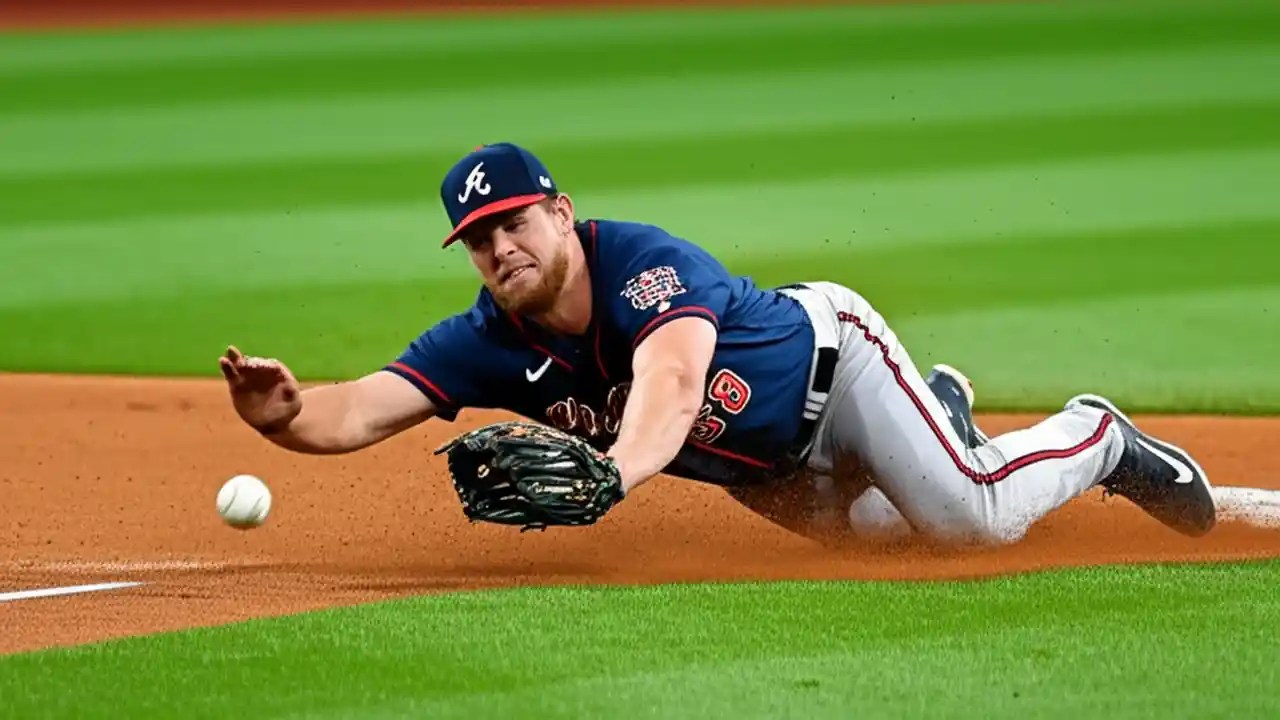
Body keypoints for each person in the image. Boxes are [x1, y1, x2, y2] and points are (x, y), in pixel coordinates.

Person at [218, 142, 1216, 546]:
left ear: (560, 213)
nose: (499, 248)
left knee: (971, 524)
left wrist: (613, 474)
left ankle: (1097, 435)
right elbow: (359, 409)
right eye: (478, 240)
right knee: (886, 551)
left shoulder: (646, 265)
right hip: (766, 470)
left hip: (838, 372)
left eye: (513, 222)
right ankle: (945, 416)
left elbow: (672, 380)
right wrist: (281, 416)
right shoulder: (486, 339)